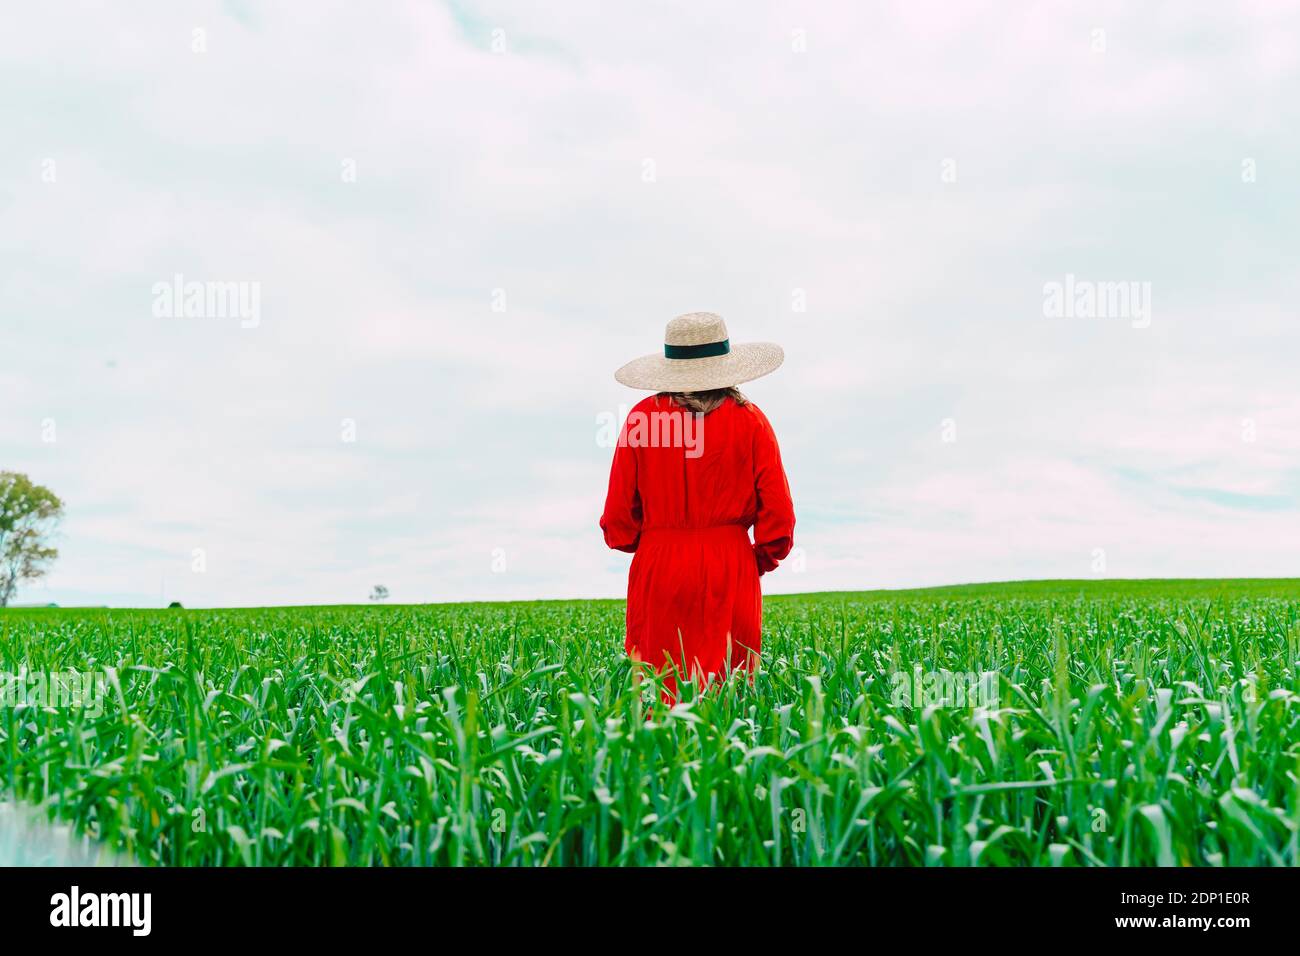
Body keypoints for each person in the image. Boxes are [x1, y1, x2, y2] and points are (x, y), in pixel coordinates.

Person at [600, 312, 795, 703]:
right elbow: (780, 519)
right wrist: (755, 558)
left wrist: (658, 545)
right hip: (731, 565)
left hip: (660, 567)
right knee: (731, 696)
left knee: (659, 695)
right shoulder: (751, 421)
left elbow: (618, 521)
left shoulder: (642, 420)